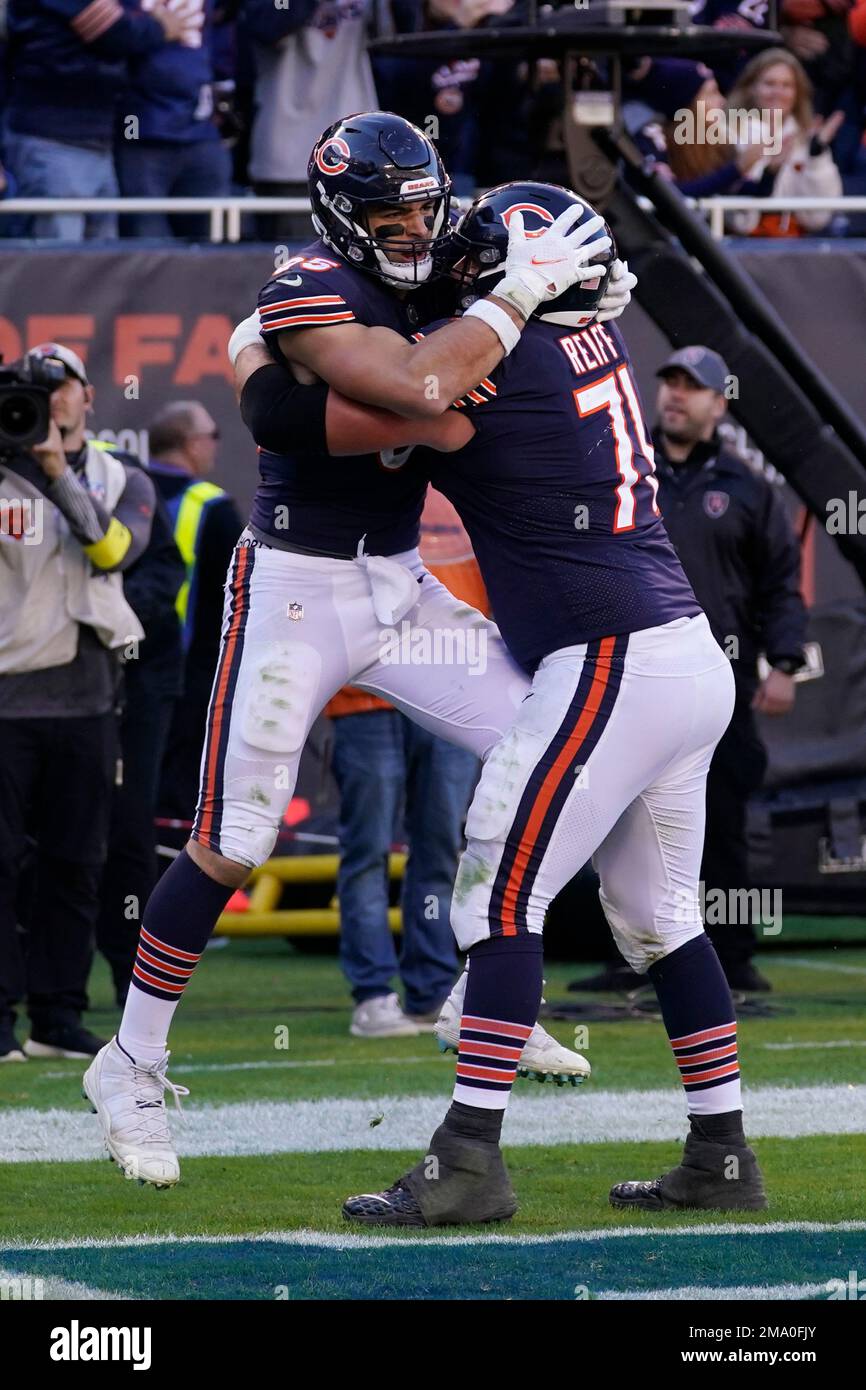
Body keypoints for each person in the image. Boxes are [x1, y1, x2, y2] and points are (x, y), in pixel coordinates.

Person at [81, 112, 607, 1188]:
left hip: (400, 580)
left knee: (547, 749)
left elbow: (460, 367)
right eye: (391, 215)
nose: (416, 230)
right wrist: (505, 311)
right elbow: (421, 394)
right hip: (296, 587)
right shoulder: (311, 284)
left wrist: (567, 296)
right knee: (234, 838)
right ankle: (128, 1062)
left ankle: (477, 988)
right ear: (339, 217)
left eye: (425, 207)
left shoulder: (437, 273)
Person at [264, 181, 767, 1226]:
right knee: (659, 917)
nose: (454, 262)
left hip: (610, 657)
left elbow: (411, 390)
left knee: (494, 897)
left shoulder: (508, 356)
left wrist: (268, 372)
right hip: (673, 658)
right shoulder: (591, 340)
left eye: (476, 254)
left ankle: (467, 1160)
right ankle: (720, 1154)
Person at [0, 344, 155, 1061]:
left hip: (90, 698)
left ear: (89, 395)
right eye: (33, 388)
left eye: (59, 385)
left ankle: (57, 1014)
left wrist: (57, 469)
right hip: (7, 696)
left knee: (75, 862)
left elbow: (114, 550)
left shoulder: (119, 473)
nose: (48, 398)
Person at [328, 491, 484, 1038]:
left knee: (440, 847)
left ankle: (433, 993)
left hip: (451, 691)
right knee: (368, 849)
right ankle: (373, 995)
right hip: (365, 695)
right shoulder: (336, 477)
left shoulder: (462, 484)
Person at [96, 456, 186, 1007]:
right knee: (43, 836)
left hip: (139, 677)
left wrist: (94, 616)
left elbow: (163, 573)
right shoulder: (18, 483)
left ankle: (132, 983)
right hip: (44, 681)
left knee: (129, 832)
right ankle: (46, 993)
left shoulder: (124, 477)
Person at [4, 0, 197, 239]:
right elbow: (118, 34)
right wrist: (159, 26)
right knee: (58, 261)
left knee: (102, 261)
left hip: (105, 141)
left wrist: (149, 24)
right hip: (52, 141)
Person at [146, 402, 244, 822]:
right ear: (192, 443)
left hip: (120, 676)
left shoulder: (119, 493)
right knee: (182, 801)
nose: (215, 448)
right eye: (212, 437)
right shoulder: (214, 508)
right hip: (193, 682)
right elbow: (247, 592)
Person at [116, 0, 232, 239]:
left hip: (201, 130)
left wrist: (222, 80)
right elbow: (110, 37)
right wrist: (156, 28)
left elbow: (228, 25)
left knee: (212, 249)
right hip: (140, 130)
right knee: (147, 253)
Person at [725, 47, 844, 235]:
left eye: (787, 85)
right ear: (751, 88)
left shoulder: (808, 137)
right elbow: (739, 221)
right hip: (739, 243)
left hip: (795, 247)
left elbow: (818, 218)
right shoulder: (726, 132)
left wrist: (816, 156)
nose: (778, 93)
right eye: (770, 84)